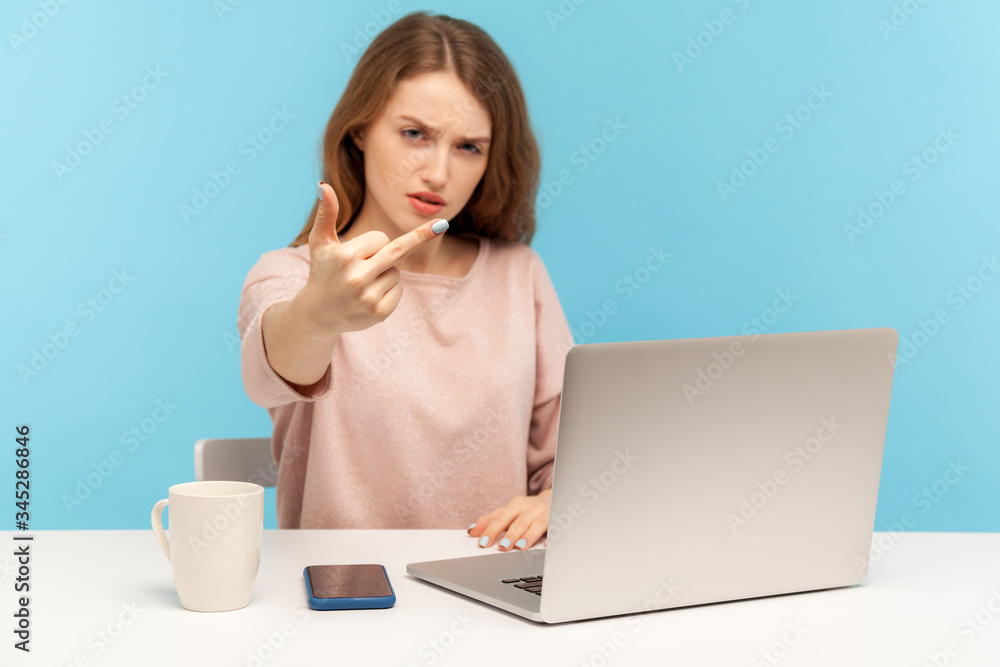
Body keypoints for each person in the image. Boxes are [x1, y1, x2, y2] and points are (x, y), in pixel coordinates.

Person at [237, 11, 574, 552]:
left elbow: (568, 458)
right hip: (349, 587)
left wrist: (559, 500)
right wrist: (316, 314)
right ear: (360, 130)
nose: (438, 173)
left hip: (490, 584)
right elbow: (270, 371)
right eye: (415, 134)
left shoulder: (520, 275)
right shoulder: (292, 275)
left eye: (469, 147)